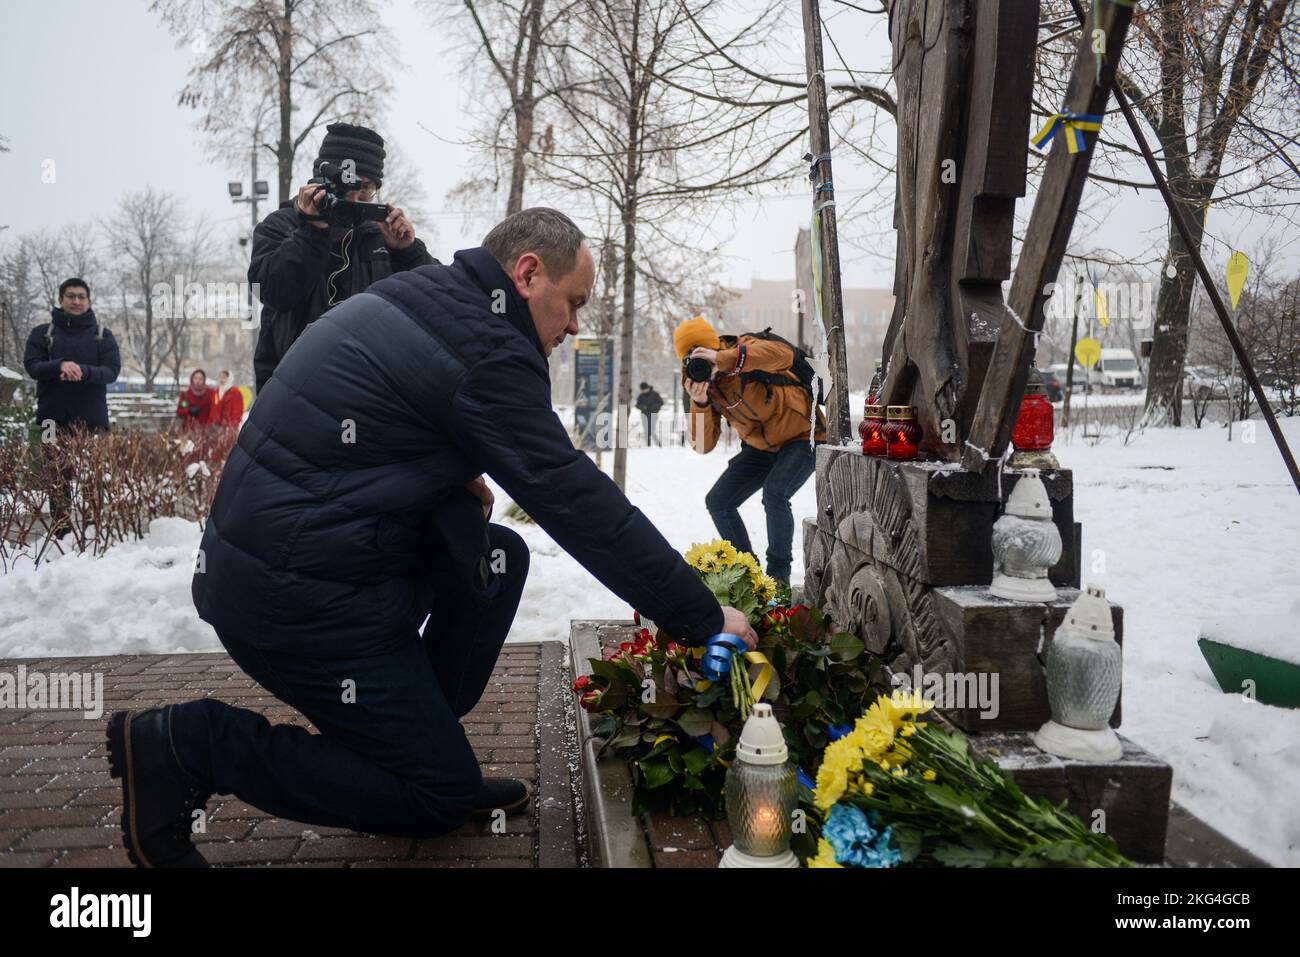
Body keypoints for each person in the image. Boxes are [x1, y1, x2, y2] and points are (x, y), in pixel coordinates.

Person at [106, 207, 757, 867]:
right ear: (528, 274)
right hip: (292, 596)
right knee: (436, 795)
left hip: (295, 561)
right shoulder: (487, 348)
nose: (575, 325)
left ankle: (413, 746)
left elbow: (376, 425)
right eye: (575, 302)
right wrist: (701, 617)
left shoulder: (427, 293)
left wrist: (447, 478)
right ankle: (191, 744)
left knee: (497, 559)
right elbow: (574, 498)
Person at [249, 123, 437, 392]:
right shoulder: (281, 225)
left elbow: (436, 302)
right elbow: (272, 291)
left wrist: (408, 252)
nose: (357, 196)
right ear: (324, 179)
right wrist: (312, 232)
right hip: (295, 388)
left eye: (367, 187)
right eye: (349, 185)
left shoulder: (381, 235)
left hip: (370, 389)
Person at [675, 315, 827, 588]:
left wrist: (722, 359)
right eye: (691, 357)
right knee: (718, 501)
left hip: (803, 436)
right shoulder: (704, 385)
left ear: (713, 345)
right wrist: (699, 402)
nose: (700, 362)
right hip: (760, 448)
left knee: (775, 493)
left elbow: (784, 355)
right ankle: (749, 574)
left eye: (702, 352)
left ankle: (778, 577)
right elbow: (702, 446)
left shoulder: (744, 347)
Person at [23, 277, 121, 537]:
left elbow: (112, 371)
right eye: (71, 296)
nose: (76, 301)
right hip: (50, 419)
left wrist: (83, 371)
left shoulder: (103, 335)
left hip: (93, 419)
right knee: (56, 477)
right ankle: (61, 531)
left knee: (94, 477)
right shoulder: (42, 333)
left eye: (81, 296)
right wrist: (59, 365)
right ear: (60, 299)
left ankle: (93, 532)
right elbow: (32, 366)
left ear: (88, 300)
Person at [635, 381, 664, 446]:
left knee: (651, 430)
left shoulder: (655, 394)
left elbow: (661, 402)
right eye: (642, 390)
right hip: (644, 414)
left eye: (644, 389)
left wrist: (653, 407)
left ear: (648, 388)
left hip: (653, 414)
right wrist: (642, 407)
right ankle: (648, 444)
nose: (644, 391)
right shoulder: (641, 396)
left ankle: (658, 444)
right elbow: (637, 405)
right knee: (646, 430)